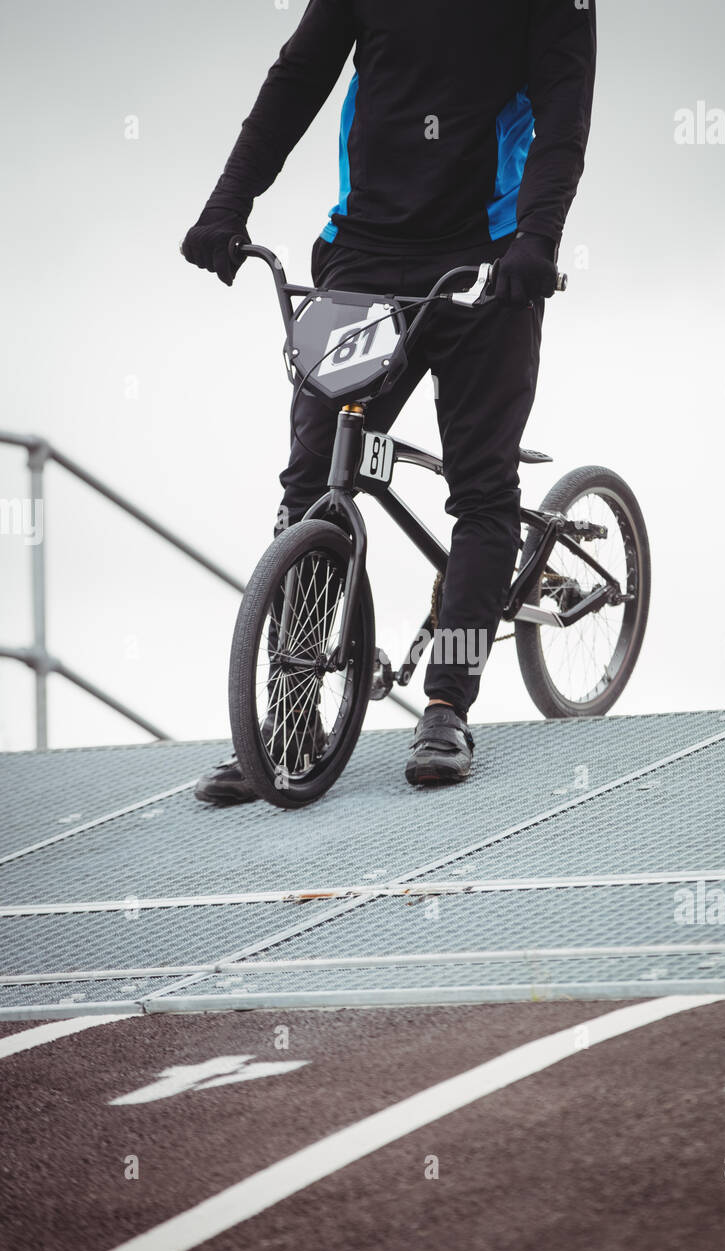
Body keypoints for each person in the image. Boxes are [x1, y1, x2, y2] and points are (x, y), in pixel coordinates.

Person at [182, 0, 596, 803]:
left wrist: (537, 240)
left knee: (481, 492)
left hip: (488, 262)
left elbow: (562, 117)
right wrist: (227, 205)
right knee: (313, 487)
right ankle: (291, 720)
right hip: (364, 261)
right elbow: (296, 80)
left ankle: (446, 704)